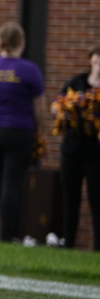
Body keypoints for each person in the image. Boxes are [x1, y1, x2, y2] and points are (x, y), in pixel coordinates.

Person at [0, 22, 45, 243]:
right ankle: (7, 234)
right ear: (21, 43)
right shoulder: (29, 70)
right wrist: (38, 130)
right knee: (12, 184)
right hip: (17, 129)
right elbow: (39, 107)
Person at [57, 43, 100, 250]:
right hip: (72, 148)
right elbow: (58, 107)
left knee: (97, 200)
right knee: (70, 198)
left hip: (96, 152)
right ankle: (68, 244)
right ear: (91, 59)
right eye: (97, 56)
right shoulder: (75, 83)